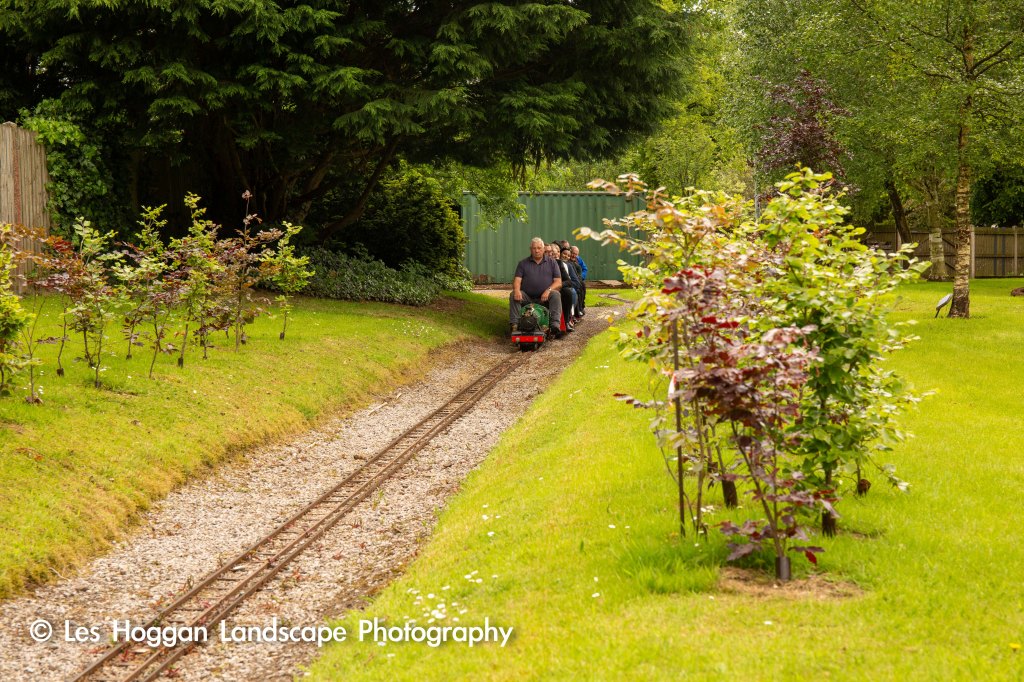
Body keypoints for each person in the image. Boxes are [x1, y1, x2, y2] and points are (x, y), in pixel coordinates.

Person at [510, 237, 563, 337]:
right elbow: (517, 280)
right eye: (534, 248)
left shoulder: (552, 262)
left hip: (544, 297)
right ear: (530, 249)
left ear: (543, 249)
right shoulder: (523, 263)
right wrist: (517, 290)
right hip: (527, 297)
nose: (537, 250)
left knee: (555, 294)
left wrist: (548, 290)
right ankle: (515, 325)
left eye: (539, 248)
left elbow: (558, 282)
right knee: (513, 294)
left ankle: (554, 326)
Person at [571, 245, 587, 315]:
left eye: (576, 254)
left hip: (579, 278)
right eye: (573, 253)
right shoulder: (568, 260)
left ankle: (581, 306)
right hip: (572, 279)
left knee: (583, 286)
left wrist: (581, 277)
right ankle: (577, 310)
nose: (574, 255)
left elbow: (585, 269)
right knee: (579, 286)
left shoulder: (579, 259)